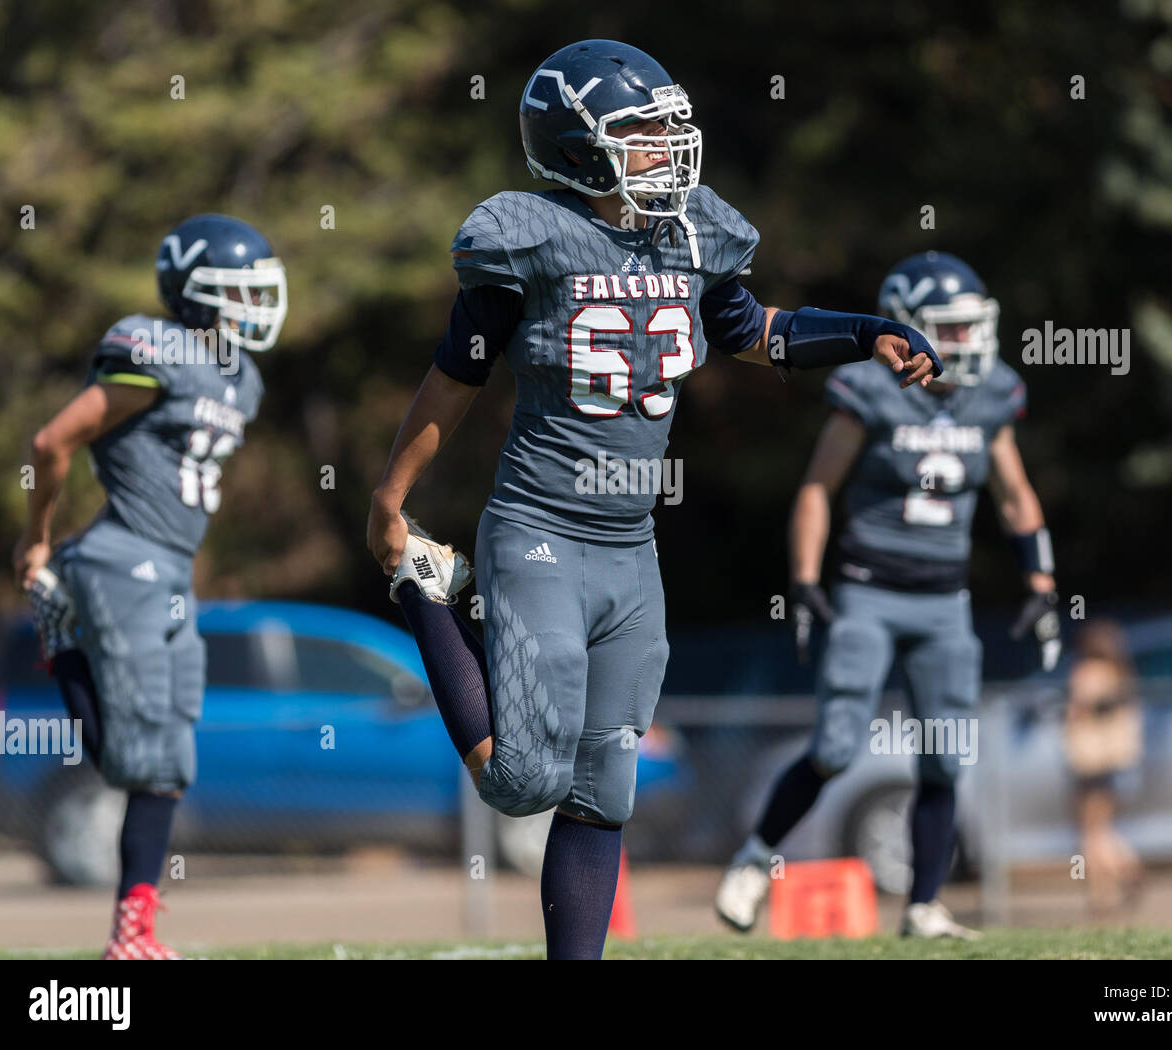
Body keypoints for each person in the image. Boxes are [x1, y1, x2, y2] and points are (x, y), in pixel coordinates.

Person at [366, 39, 944, 960]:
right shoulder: (528, 235)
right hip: (540, 531)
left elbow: (757, 333)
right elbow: (455, 378)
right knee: (522, 780)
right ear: (578, 146)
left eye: (669, 128)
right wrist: (393, 498)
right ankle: (426, 593)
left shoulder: (689, 235)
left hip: (631, 549)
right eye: (641, 133)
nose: (667, 148)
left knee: (605, 792)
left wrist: (868, 330)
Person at [716, 250, 1060, 939]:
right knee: (839, 745)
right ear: (908, 326)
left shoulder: (991, 392)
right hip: (870, 591)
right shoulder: (868, 390)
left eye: (970, 328)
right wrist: (806, 580)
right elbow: (818, 487)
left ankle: (925, 905)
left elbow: (1015, 494)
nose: (964, 342)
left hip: (944, 601)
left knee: (944, 752)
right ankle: (755, 860)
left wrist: (1043, 583)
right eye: (949, 329)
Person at [12, 215, 285, 959]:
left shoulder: (244, 378)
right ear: (197, 295)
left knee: (169, 761)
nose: (257, 303)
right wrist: (36, 538)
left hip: (170, 570)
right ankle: (62, 639)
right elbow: (50, 440)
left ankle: (134, 934)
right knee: (130, 759)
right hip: (118, 557)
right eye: (239, 291)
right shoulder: (156, 349)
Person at [1064, 618, 1143, 911]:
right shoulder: (1120, 673)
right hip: (1117, 760)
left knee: (1090, 831)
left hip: (1090, 761)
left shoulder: (1085, 673)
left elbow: (1078, 712)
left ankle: (1104, 890)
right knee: (1104, 826)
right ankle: (1126, 867)